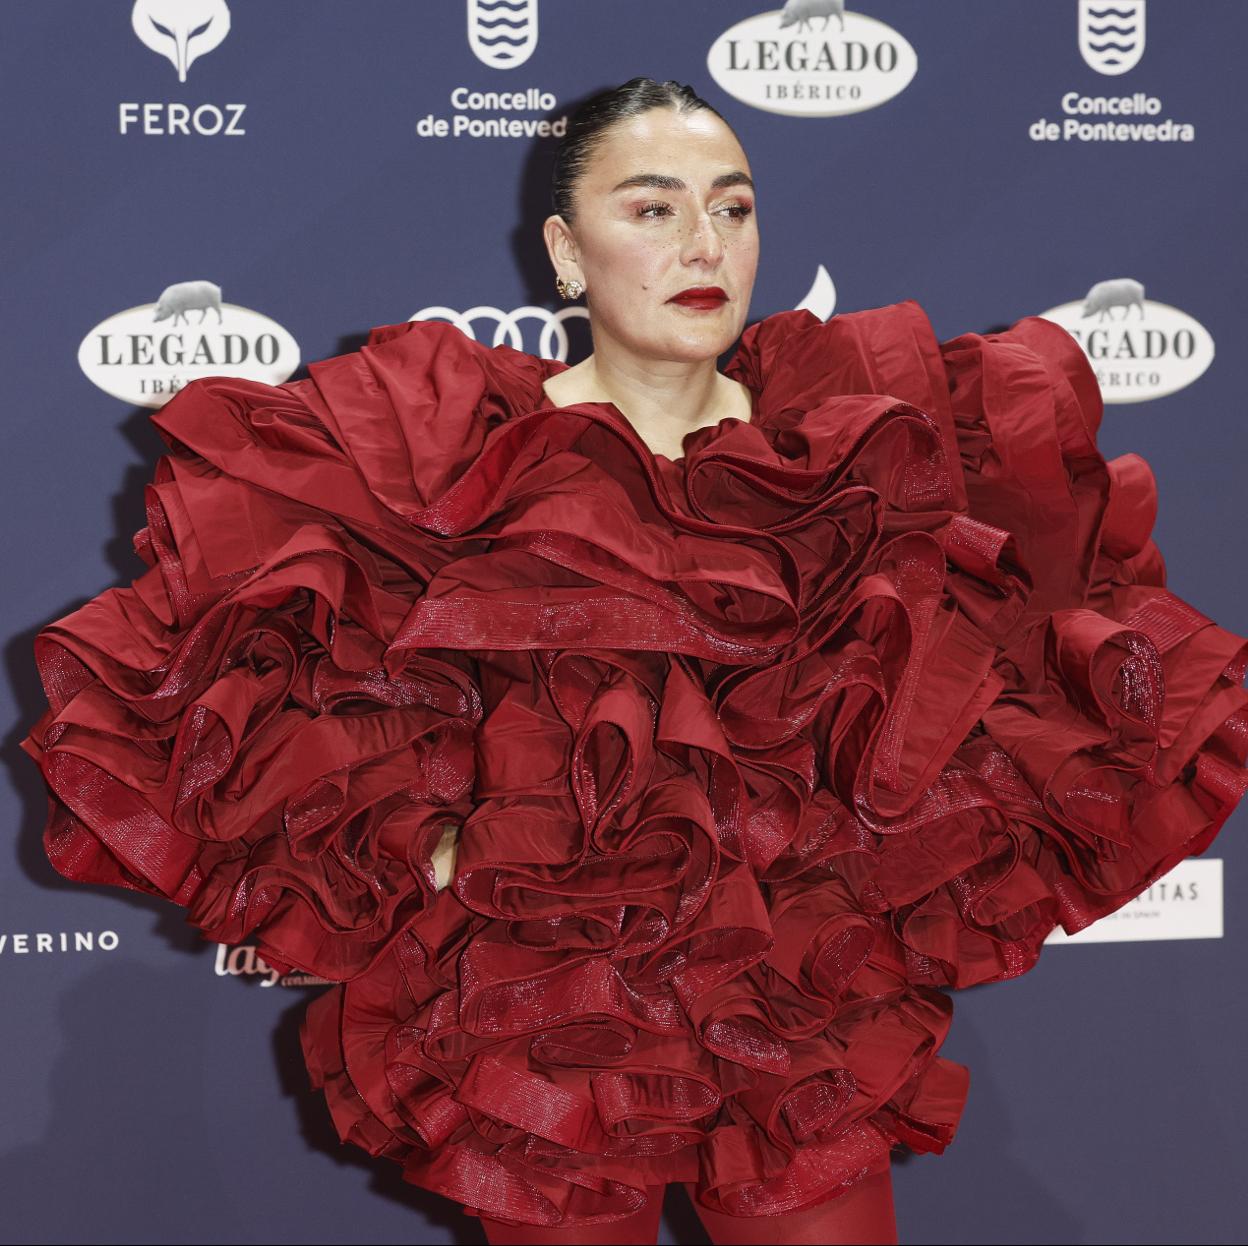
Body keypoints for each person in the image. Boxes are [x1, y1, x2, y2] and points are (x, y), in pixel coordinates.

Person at [20, 75, 1248, 1246]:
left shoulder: (867, 456)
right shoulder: (439, 461)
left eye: (733, 208)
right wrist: (426, 847)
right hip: (542, 1005)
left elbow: (1023, 656)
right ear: (565, 252)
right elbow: (245, 678)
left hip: (791, 1005)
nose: (705, 245)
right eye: (654, 209)